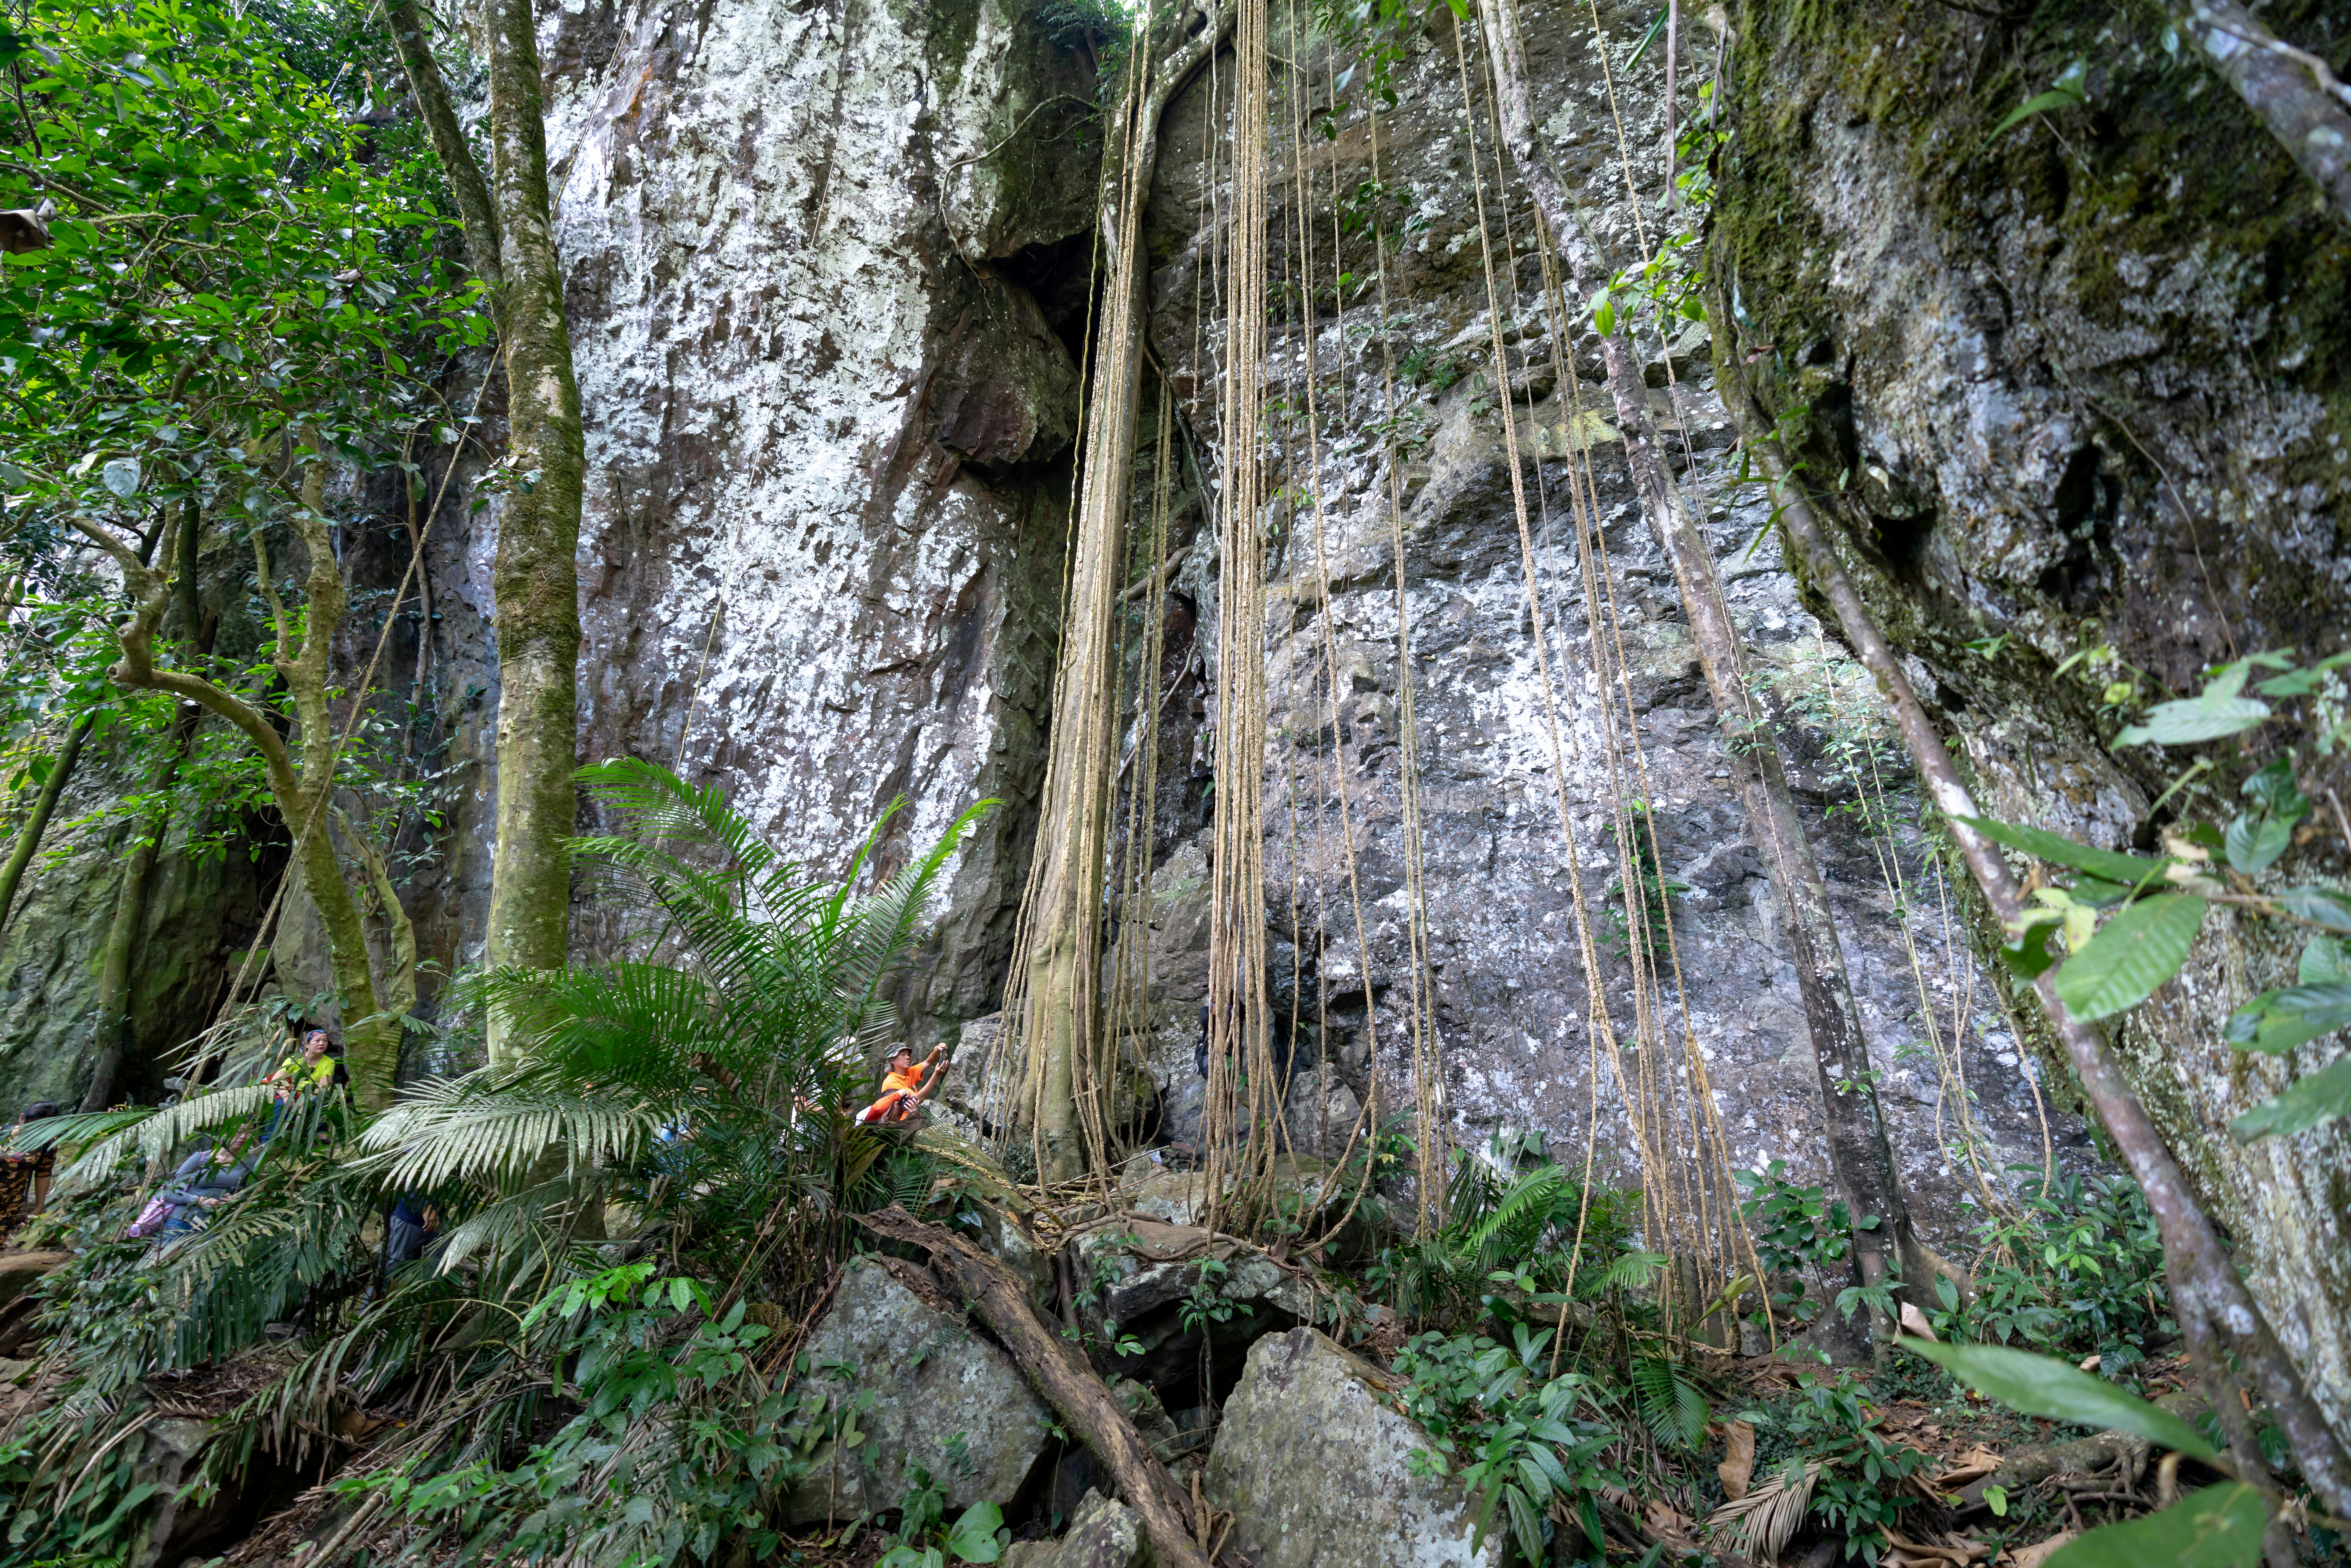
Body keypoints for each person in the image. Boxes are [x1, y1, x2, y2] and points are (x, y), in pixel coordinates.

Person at [0, 1102, 60, 1233]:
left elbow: (44, 1173)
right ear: (22, 1119)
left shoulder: (48, 1142)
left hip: (9, 1206)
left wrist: (39, 1206)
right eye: (31, 1126)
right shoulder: (2, 1133)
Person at [853, 1043, 945, 1125]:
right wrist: (936, 1076)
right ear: (892, 1061)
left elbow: (928, 1062)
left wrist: (937, 1051)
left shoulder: (908, 1072)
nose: (908, 1057)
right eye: (903, 1055)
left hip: (910, 1120)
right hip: (898, 1124)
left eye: (908, 1054)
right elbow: (917, 1099)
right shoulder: (891, 1082)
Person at [265, 1029, 340, 1094]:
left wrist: (307, 1100)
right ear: (307, 1044)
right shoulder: (295, 1059)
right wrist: (286, 1096)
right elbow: (275, 1081)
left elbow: (324, 1086)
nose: (322, 1043)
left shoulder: (329, 1062)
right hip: (289, 1092)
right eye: (317, 1041)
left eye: (325, 1041)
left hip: (312, 1095)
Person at [385, 1193, 440, 1266]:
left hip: (438, 1220)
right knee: (397, 1262)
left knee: (435, 1264)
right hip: (409, 1219)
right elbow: (409, 1188)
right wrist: (426, 1207)